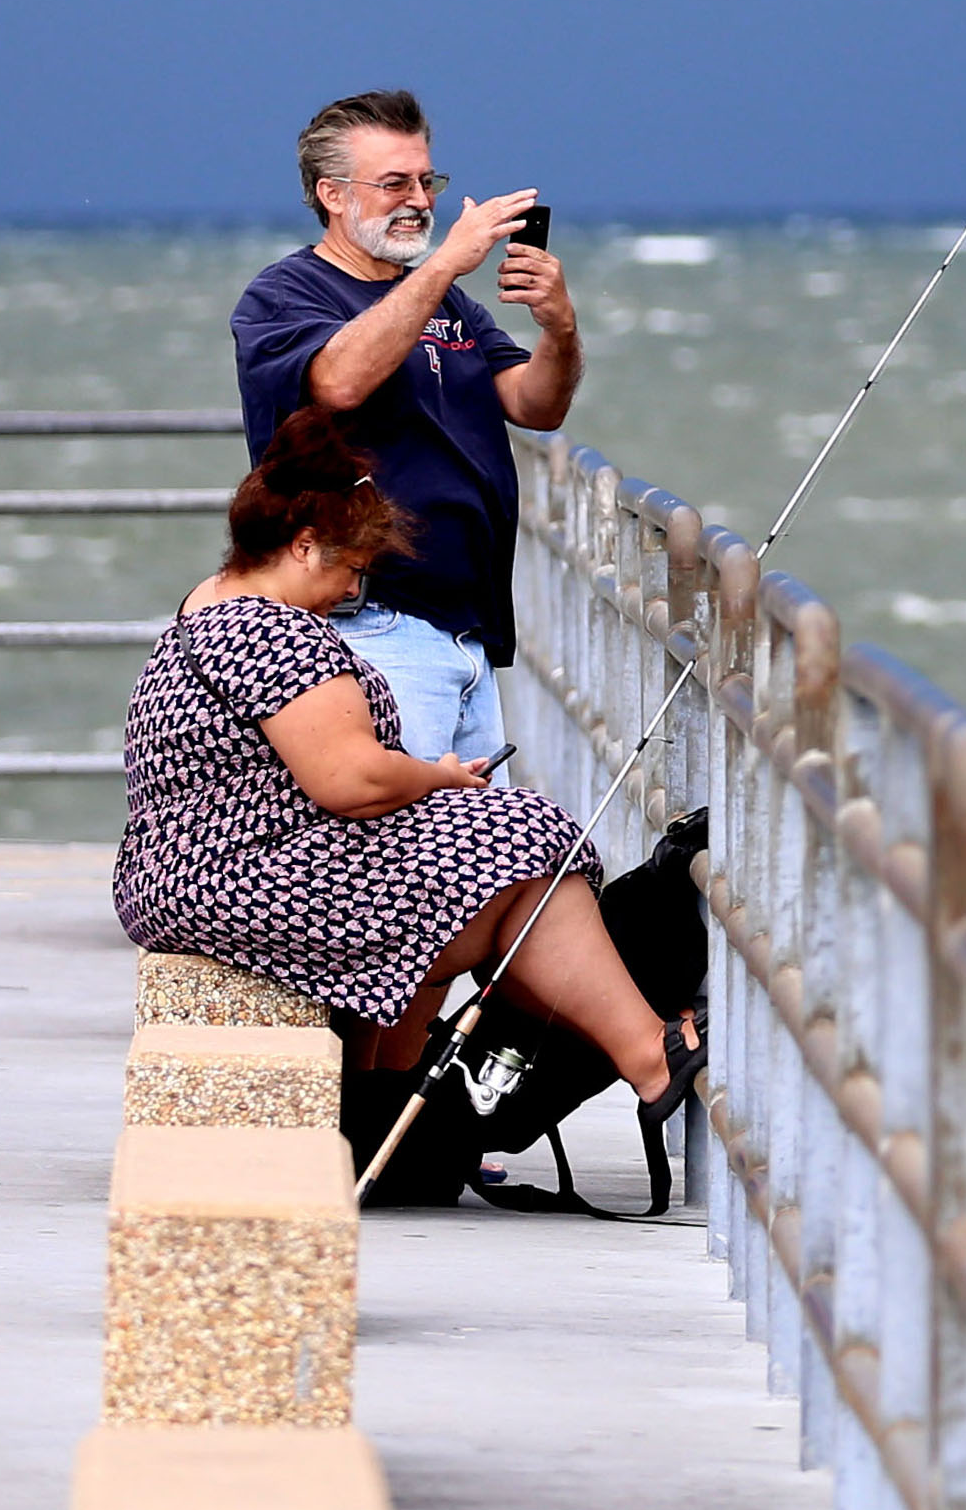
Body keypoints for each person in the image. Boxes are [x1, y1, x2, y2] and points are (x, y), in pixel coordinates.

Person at [115, 408, 691, 1122]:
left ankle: (393, 1098)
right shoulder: (270, 631)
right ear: (303, 545)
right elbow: (350, 781)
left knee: (493, 850)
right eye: (352, 572)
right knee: (527, 836)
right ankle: (648, 1056)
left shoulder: (207, 605)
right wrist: (439, 777)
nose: (349, 595)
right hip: (238, 881)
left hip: (198, 872)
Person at [232, 87, 582, 762]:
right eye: (394, 183)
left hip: (466, 628)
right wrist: (448, 259)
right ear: (332, 194)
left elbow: (537, 404)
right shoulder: (284, 292)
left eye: (427, 180)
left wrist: (559, 327)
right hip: (365, 620)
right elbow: (339, 380)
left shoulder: (442, 298)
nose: (420, 199)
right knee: (399, 852)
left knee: (475, 856)